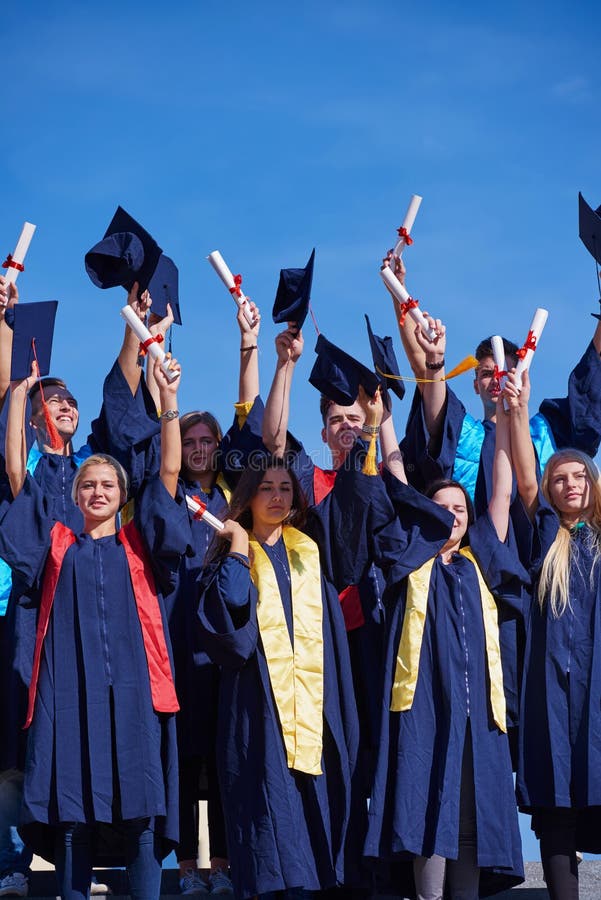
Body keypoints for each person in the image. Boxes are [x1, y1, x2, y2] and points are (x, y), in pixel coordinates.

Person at [0, 354, 190, 900]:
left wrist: (169, 399)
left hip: (135, 699)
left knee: (142, 814)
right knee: (73, 816)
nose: (98, 492)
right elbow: (17, 475)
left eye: (108, 484)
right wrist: (18, 395)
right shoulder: (56, 547)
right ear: (76, 496)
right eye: (88, 485)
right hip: (73, 700)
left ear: (123, 494)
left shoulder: (141, 545)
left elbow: (171, 474)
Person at [364, 363, 526, 898]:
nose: (453, 514)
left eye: (460, 507)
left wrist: (506, 416)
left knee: (473, 813)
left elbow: (500, 488)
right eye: (443, 508)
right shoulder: (413, 557)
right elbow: (397, 481)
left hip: (481, 710)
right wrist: (386, 422)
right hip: (424, 707)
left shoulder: (483, 559)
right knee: (425, 806)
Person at [197, 456, 361, 900]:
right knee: (270, 806)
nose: (276, 496)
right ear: (247, 495)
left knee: (313, 810)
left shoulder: (308, 553)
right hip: (259, 702)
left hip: (312, 703)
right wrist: (234, 545)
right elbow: (230, 609)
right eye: (266, 487)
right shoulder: (236, 553)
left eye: (285, 488)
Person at [382, 255, 601, 508]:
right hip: (475, 546)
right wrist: (399, 293)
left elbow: (590, 380)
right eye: (487, 373)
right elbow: (426, 370)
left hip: (546, 545)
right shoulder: (462, 434)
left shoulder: (547, 432)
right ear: (475, 385)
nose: (497, 379)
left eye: (506, 371)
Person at [505, 367, 601, 900]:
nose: (569, 484)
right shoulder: (545, 536)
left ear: (591, 485)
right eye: (560, 478)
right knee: (556, 796)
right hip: (554, 693)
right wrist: (517, 410)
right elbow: (523, 475)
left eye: (579, 476)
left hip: (598, 690)